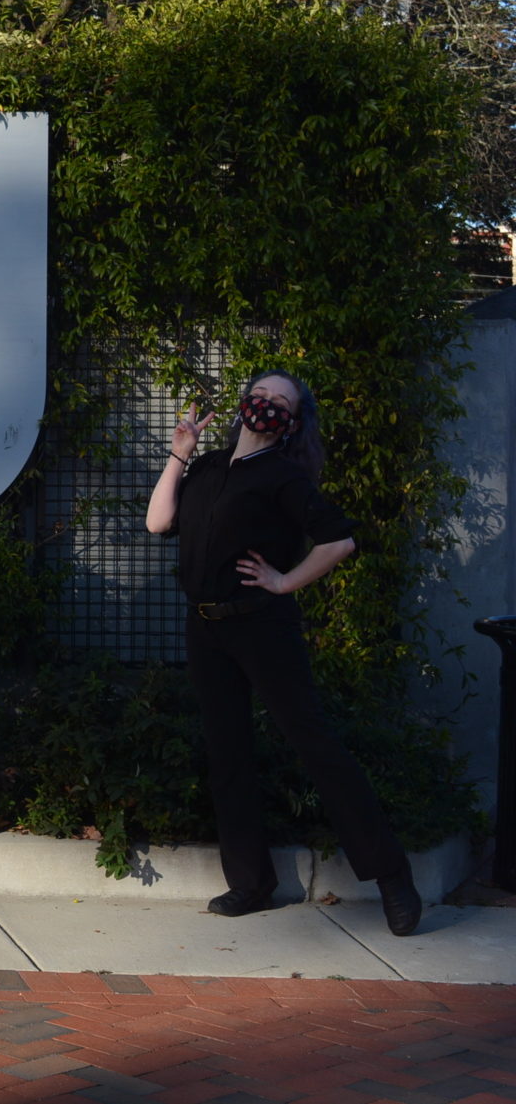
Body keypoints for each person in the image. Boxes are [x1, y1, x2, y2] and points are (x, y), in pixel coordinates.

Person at [145, 370, 421, 935]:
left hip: (263, 627)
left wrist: (284, 581)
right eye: (260, 395)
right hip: (206, 629)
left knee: (316, 746)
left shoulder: (284, 477)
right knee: (228, 755)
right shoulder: (208, 467)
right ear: (244, 404)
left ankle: (392, 875)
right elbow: (158, 523)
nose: (266, 405)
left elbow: (339, 540)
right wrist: (180, 454)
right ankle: (251, 883)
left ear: (292, 423)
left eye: (280, 403)